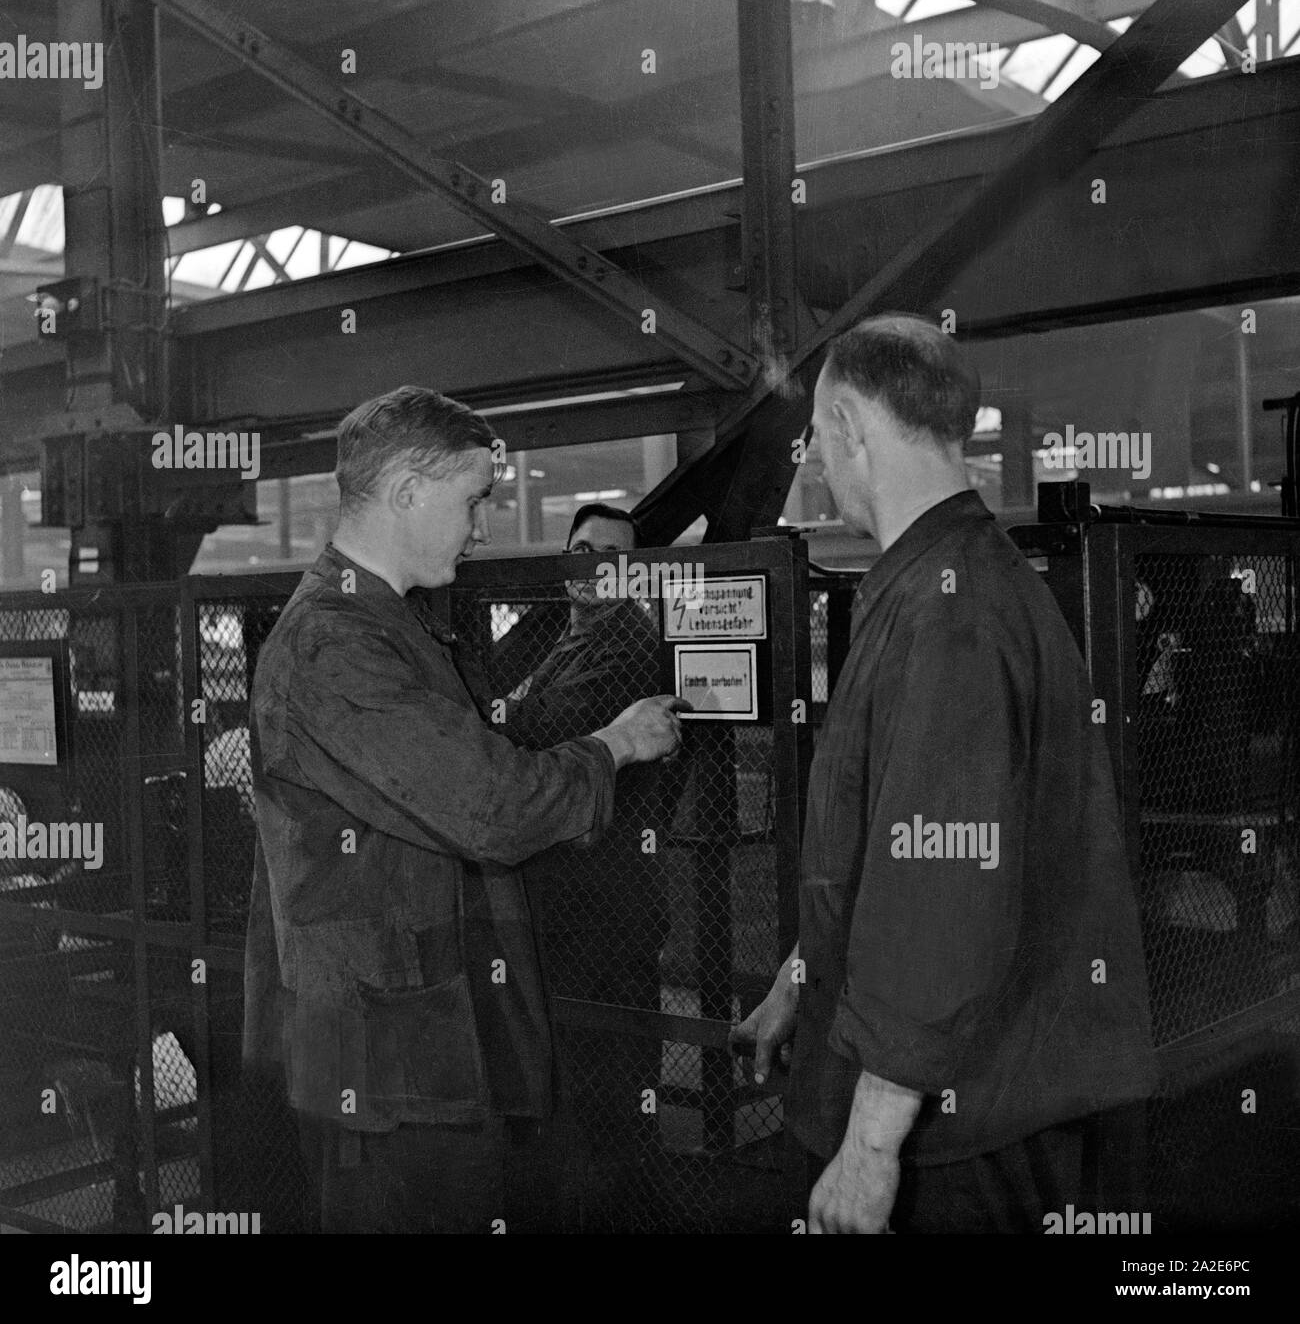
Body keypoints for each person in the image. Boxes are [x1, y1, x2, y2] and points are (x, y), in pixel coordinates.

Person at [734, 315, 1157, 1234]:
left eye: (815, 437)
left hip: (958, 1128)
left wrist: (871, 1146)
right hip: (973, 1096)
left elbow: (939, 898)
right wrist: (805, 975)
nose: (817, 462)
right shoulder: (947, 581)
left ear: (847, 424)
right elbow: (882, 847)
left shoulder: (948, 614)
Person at [241, 385, 687, 1234]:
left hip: (419, 1041)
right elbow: (492, 805)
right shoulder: (337, 644)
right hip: (383, 1064)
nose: (483, 524)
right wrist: (616, 746)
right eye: (474, 497)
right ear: (408, 490)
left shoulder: (389, 624)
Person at [500, 502, 674, 1228]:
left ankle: (624, 1215)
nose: (592, 563)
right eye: (582, 548)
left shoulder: (631, 641)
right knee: (575, 1074)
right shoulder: (570, 639)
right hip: (569, 899)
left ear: (630, 570)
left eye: (609, 553)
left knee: (612, 1082)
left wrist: (505, 716)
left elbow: (551, 725)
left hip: (610, 901)